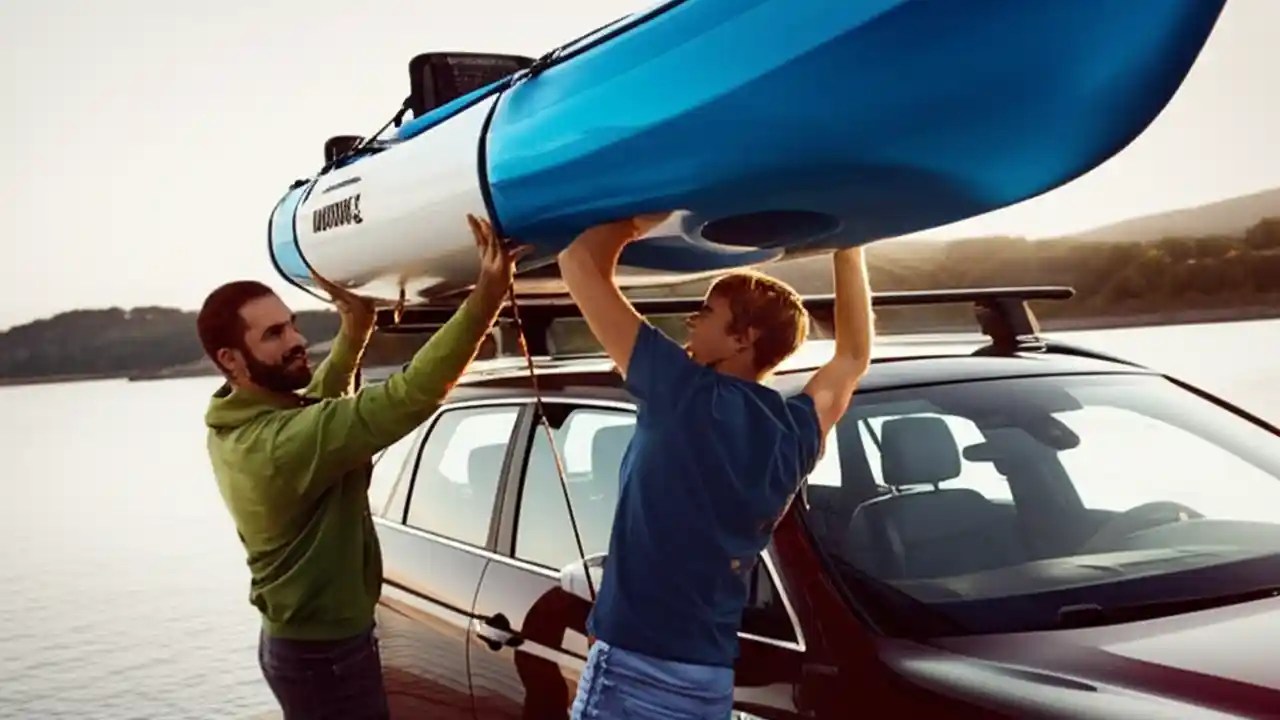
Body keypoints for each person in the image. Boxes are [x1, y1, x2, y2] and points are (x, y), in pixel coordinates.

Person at [200, 215, 524, 720]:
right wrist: (486, 298)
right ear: (231, 360)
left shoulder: (239, 423)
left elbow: (314, 412)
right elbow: (407, 396)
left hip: (306, 649)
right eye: (272, 335)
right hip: (324, 658)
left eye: (292, 324)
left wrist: (353, 334)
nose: (295, 341)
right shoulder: (276, 445)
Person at [557, 215, 874, 719]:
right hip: (708, 679)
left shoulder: (677, 389)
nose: (690, 322)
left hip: (632, 672)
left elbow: (576, 261)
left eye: (705, 312)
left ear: (741, 339)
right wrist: (850, 246)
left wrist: (642, 216)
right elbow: (853, 357)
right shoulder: (794, 430)